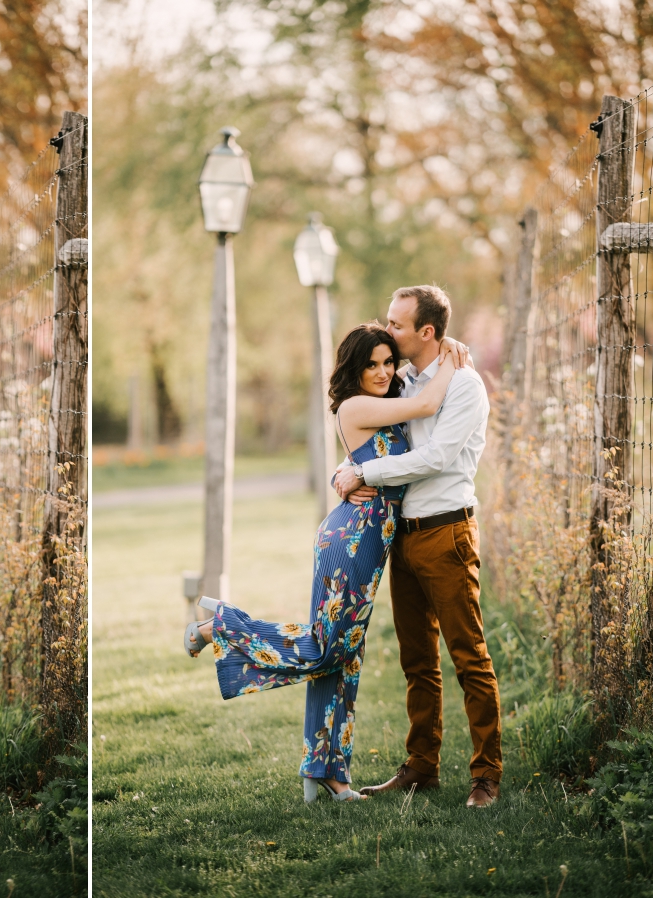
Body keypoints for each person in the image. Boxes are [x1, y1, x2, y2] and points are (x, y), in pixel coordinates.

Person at [186, 322, 463, 803]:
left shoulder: (384, 404)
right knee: (326, 650)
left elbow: (385, 449)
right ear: (354, 370)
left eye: (387, 361)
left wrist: (347, 470)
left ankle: (328, 772)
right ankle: (221, 627)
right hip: (350, 538)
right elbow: (425, 405)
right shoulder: (357, 406)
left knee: (343, 660)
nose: (382, 371)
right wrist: (454, 362)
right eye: (371, 364)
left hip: (372, 542)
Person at [333, 285, 502, 809]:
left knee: (467, 656)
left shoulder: (466, 386)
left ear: (427, 332)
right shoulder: (402, 380)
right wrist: (346, 467)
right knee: (417, 662)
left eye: (397, 325)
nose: (389, 332)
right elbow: (369, 436)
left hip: (447, 534)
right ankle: (421, 767)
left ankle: (486, 776)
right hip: (402, 539)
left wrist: (364, 472)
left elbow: (435, 457)